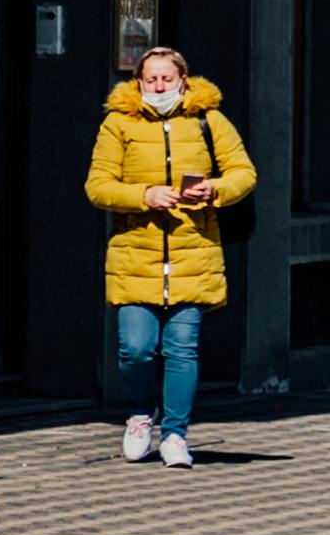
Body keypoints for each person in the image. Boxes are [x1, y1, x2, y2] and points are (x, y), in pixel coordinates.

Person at [85, 42, 254, 467]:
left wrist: (214, 189)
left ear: (183, 80)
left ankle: (176, 434)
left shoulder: (208, 120)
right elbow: (97, 185)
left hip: (193, 251)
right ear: (138, 81)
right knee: (135, 349)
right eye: (151, 78)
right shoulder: (118, 124)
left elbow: (243, 173)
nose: (159, 85)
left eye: (167, 78)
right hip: (134, 254)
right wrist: (144, 195)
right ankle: (142, 413)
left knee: (182, 348)